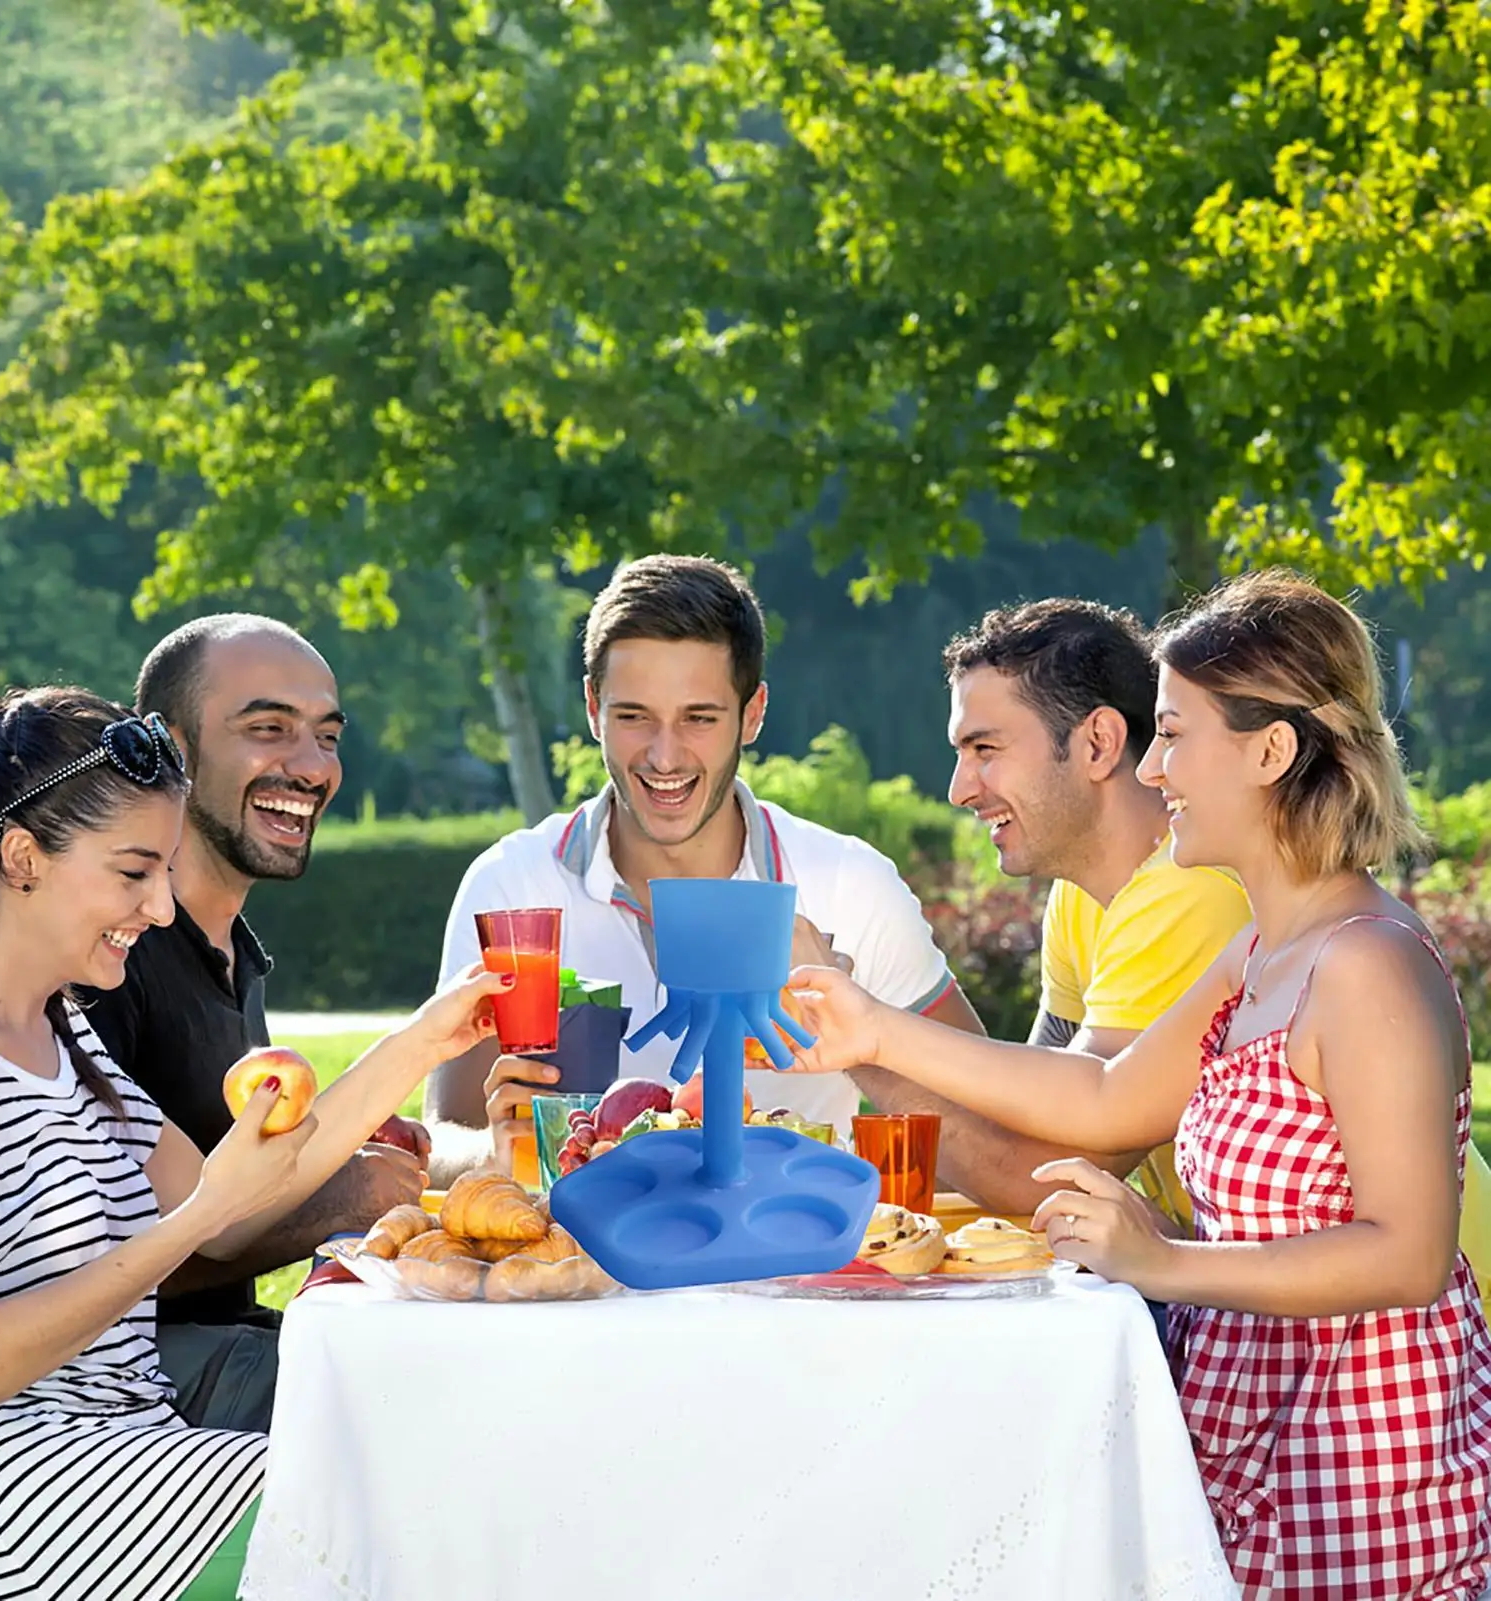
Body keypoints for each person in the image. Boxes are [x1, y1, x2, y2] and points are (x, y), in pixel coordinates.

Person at [789, 571, 1491, 1599]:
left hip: (1361, 1474)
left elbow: (1409, 1253)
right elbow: (1103, 1095)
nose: (1151, 768)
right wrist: (869, 1027)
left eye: (1172, 736)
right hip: (1255, 1450)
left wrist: (1161, 1257)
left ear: (1268, 750)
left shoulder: (1366, 965)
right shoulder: (1260, 946)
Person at [0, 686, 501, 1601]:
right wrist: (198, 1215)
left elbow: (243, 1195)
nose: (163, 908)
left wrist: (422, 1039)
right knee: (411, 1510)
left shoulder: (65, 1038)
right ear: (22, 857)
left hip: (129, 1451)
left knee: (438, 1471)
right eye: (135, 871)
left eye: (167, 871)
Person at [425, 554, 979, 1179]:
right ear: (591, 708)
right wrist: (499, 1152)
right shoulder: (510, 886)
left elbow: (989, 1126)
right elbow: (439, 1140)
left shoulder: (852, 887)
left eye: (699, 718)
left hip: (792, 1268)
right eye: (633, 716)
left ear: (753, 713)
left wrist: (860, 1039)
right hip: (576, 1272)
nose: (665, 757)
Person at [80, 614, 429, 1432]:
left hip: (225, 1348)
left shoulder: (236, 954)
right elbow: (83, 1267)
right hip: (123, 1392)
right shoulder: (105, 955)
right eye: (268, 729)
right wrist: (335, 1198)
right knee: (443, 1404)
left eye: (327, 736)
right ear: (169, 744)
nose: (310, 768)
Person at [856, 599, 1250, 1218]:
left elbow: (1044, 1178)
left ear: (1097, 744)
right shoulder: (1083, 893)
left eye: (985, 749)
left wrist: (859, 1042)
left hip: (1371, 1306)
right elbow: (1022, 1127)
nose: (960, 789)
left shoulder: (1189, 891)